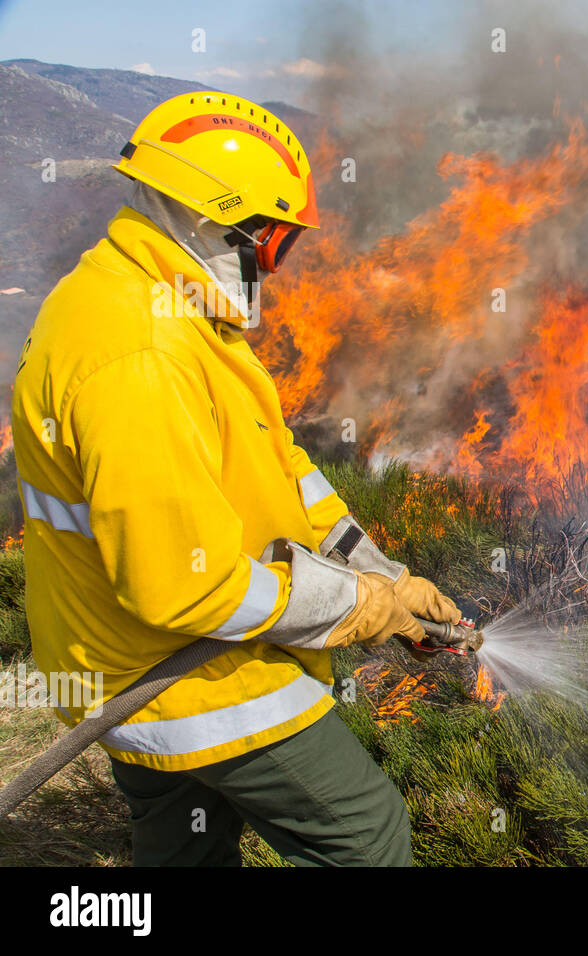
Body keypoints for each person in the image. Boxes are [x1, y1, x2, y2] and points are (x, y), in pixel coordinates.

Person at [10, 93, 462, 866]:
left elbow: (279, 467)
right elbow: (186, 588)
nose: (277, 263)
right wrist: (364, 610)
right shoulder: (141, 353)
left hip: (124, 658)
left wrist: (390, 578)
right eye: (276, 239)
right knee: (366, 835)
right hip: (175, 672)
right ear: (211, 221)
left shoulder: (163, 299)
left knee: (184, 846)